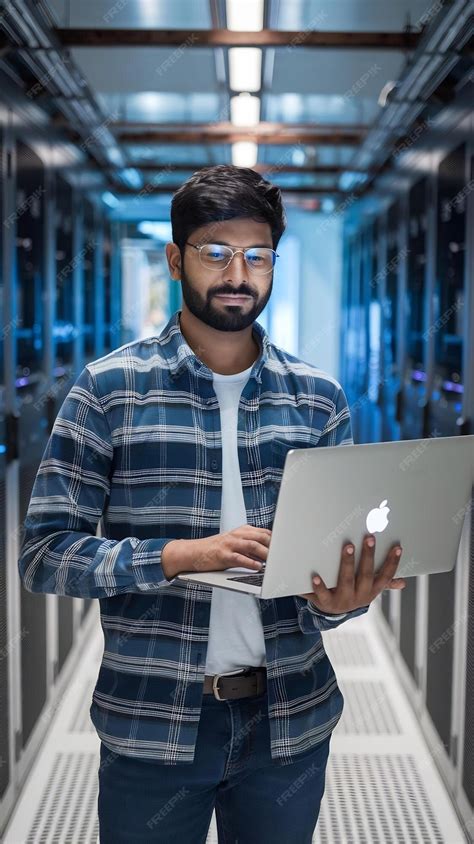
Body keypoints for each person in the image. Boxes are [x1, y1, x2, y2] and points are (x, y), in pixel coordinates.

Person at [18, 164, 405, 843]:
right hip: (153, 722)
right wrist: (173, 557)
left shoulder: (319, 400)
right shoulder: (108, 391)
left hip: (289, 721)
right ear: (176, 259)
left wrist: (343, 601)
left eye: (258, 256)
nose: (238, 273)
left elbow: (330, 579)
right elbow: (45, 556)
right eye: (216, 253)